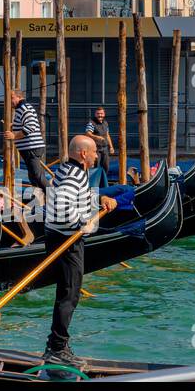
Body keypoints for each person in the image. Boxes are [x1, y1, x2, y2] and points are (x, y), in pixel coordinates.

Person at [43, 134, 118, 366]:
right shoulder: (75, 174)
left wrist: (100, 198)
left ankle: (56, 345)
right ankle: (57, 347)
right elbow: (62, 206)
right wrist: (80, 224)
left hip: (57, 236)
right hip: (67, 241)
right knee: (70, 294)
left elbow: (79, 196)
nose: (97, 155)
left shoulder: (70, 169)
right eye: (94, 151)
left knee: (67, 292)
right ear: (83, 154)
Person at [3, 90, 50, 190]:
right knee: (33, 177)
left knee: (37, 176)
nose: (10, 101)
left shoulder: (23, 108)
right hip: (30, 148)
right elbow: (26, 124)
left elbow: (30, 126)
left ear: (19, 97)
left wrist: (14, 136)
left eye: (12, 98)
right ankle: (41, 201)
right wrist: (14, 126)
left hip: (32, 147)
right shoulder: (22, 109)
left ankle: (54, 198)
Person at [84, 107, 113, 180]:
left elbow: (107, 135)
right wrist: (97, 137)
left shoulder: (105, 123)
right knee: (95, 167)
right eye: (98, 114)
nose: (100, 115)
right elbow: (88, 134)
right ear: (95, 114)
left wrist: (111, 147)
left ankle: (103, 182)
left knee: (106, 166)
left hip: (105, 148)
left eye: (101, 113)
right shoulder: (91, 123)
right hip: (95, 149)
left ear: (104, 114)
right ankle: (93, 184)